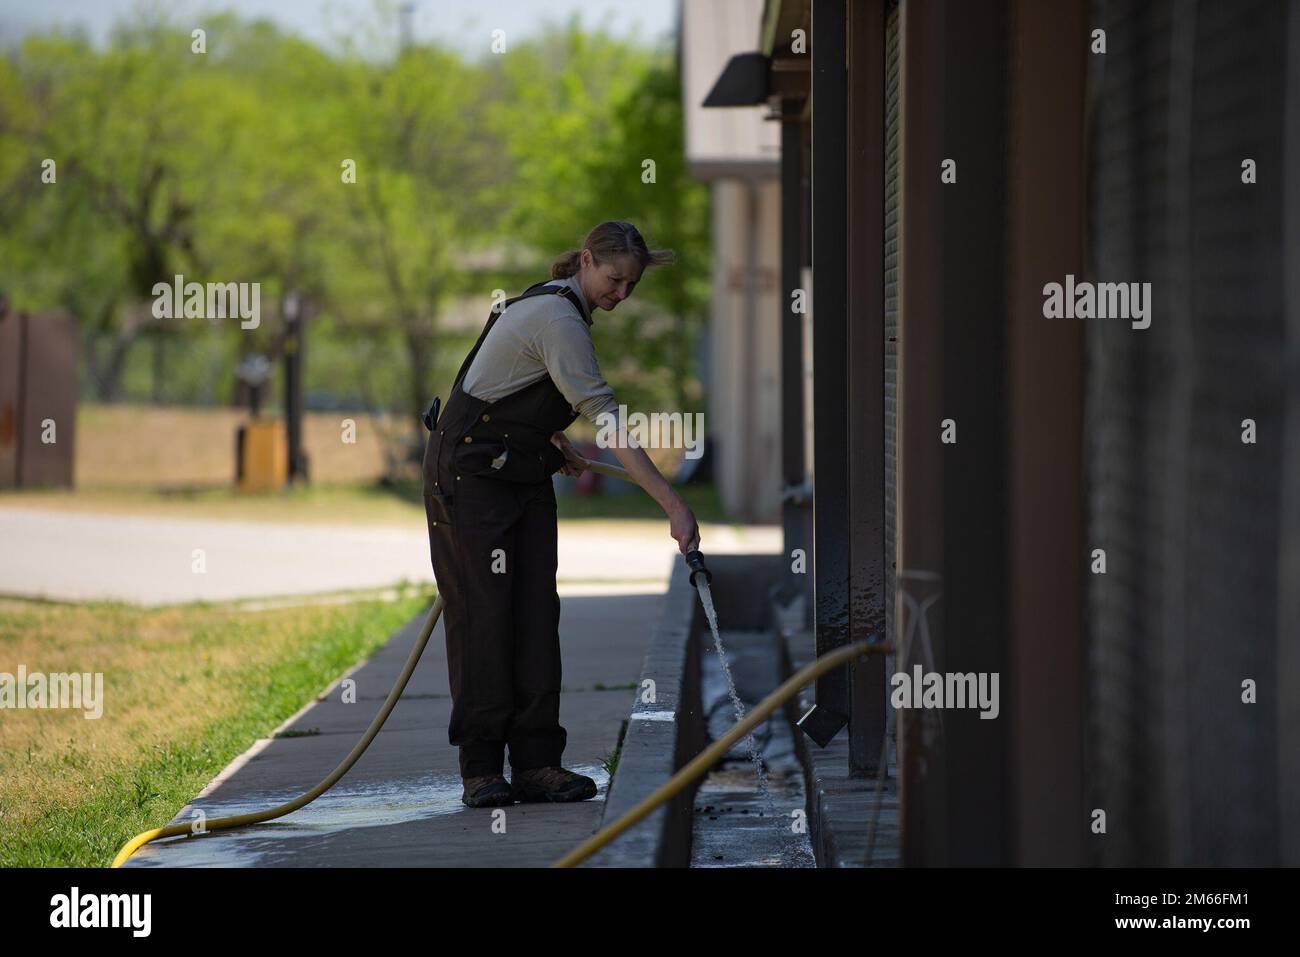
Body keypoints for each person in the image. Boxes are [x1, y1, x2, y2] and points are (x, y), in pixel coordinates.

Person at [421, 221, 700, 807]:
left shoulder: (565, 313)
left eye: (632, 285)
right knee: (485, 621)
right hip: (470, 480)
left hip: (520, 472)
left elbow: (515, 391)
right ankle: (481, 770)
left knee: (535, 619)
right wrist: (673, 505)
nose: (621, 294)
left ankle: (537, 765)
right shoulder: (558, 318)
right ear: (585, 260)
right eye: (614, 278)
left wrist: (549, 441)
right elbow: (609, 420)